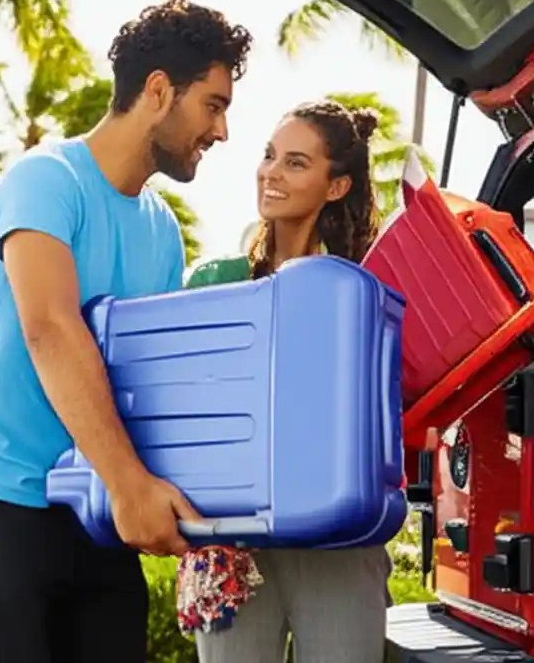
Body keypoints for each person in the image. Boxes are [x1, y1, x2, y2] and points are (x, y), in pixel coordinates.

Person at [0, 0, 254, 663]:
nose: (221, 131)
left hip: (98, 511)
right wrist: (133, 487)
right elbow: (49, 328)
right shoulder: (46, 181)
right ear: (159, 91)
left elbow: (151, 385)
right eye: (214, 105)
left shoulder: (162, 231)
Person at [180, 99, 395, 663]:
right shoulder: (213, 280)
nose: (271, 172)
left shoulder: (365, 290)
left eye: (296, 163)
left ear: (336, 185)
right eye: (270, 156)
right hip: (233, 538)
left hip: (338, 537)